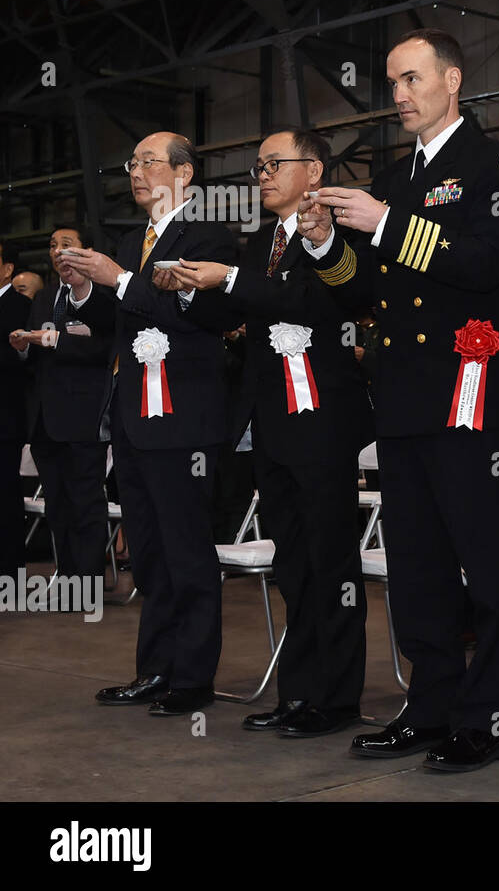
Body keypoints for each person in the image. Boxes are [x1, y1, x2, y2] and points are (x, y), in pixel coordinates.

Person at [299, 28, 499, 773]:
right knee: (418, 564)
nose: (398, 94)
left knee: (485, 562)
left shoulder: (486, 162)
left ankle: (487, 715)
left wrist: (388, 225)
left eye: (411, 79)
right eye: (391, 83)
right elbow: (368, 290)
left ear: (452, 79)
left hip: (468, 394)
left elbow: (486, 262)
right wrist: (329, 245)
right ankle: (430, 704)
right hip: (399, 397)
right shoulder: (395, 176)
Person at [162, 128, 374, 738]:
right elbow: (231, 311)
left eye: (273, 164)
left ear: (314, 171)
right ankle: (300, 692)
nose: (262, 174)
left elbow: (303, 303)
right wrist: (186, 292)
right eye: (257, 166)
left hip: (324, 422)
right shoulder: (262, 243)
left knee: (331, 563)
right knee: (293, 565)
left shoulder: (339, 236)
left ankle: (337, 699)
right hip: (271, 423)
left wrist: (225, 278)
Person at [61, 132, 237, 716]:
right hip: (134, 418)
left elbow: (200, 316)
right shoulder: (131, 241)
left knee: (188, 552)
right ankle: (154, 669)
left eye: (149, 162)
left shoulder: (208, 236)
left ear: (184, 174)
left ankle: (192, 678)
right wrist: (87, 286)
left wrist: (117, 279)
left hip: (184, 420)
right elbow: (120, 317)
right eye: (131, 162)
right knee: (152, 555)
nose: (136, 172)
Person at [8, 225, 114, 587]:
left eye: (66, 245)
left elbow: (106, 350)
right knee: (58, 505)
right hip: (44, 419)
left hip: (84, 416)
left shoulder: (102, 295)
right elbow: (34, 349)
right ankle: (68, 579)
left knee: (86, 501)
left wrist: (59, 341)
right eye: (52, 245)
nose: (57, 251)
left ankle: (88, 583)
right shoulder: (44, 297)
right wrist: (24, 347)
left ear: (87, 251)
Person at [0, 239, 32, 581]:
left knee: (6, 498)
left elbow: (22, 356)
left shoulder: (20, 305)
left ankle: (9, 573)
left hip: (5, 418)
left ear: (8, 268)